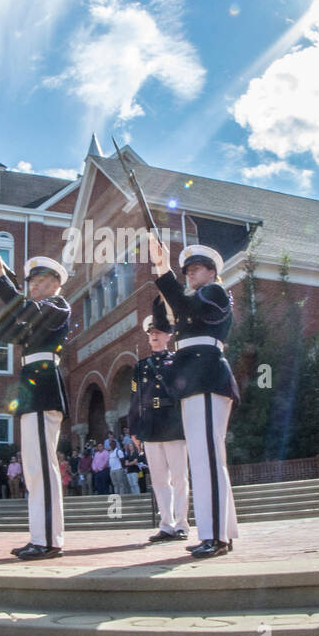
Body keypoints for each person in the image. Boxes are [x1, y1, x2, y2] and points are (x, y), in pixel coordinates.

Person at [0, 248, 72, 560]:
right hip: (31, 385)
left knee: (42, 465)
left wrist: (1, 278)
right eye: (30, 282)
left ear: (56, 282)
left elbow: (30, 313)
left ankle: (48, 540)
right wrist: (9, 292)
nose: (33, 285)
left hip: (44, 383)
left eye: (39, 280)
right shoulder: (34, 308)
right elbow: (8, 330)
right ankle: (40, 536)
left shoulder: (58, 306)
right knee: (33, 467)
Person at [148, 236, 241, 558]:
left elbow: (188, 306)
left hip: (206, 375)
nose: (189, 273)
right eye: (186, 270)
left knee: (206, 458)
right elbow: (163, 323)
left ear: (213, 272)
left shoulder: (214, 293)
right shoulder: (190, 300)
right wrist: (162, 278)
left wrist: (165, 272)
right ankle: (222, 530)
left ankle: (215, 536)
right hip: (193, 380)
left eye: (197, 269)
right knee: (206, 457)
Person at [128, 297, 189, 542]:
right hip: (150, 426)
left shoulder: (177, 361)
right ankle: (166, 524)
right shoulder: (140, 367)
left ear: (168, 336)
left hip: (173, 422)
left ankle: (182, 523)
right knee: (159, 479)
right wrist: (133, 429)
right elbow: (134, 399)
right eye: (151, 332)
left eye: (159, 332)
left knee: (179, 477)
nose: (153, 335)